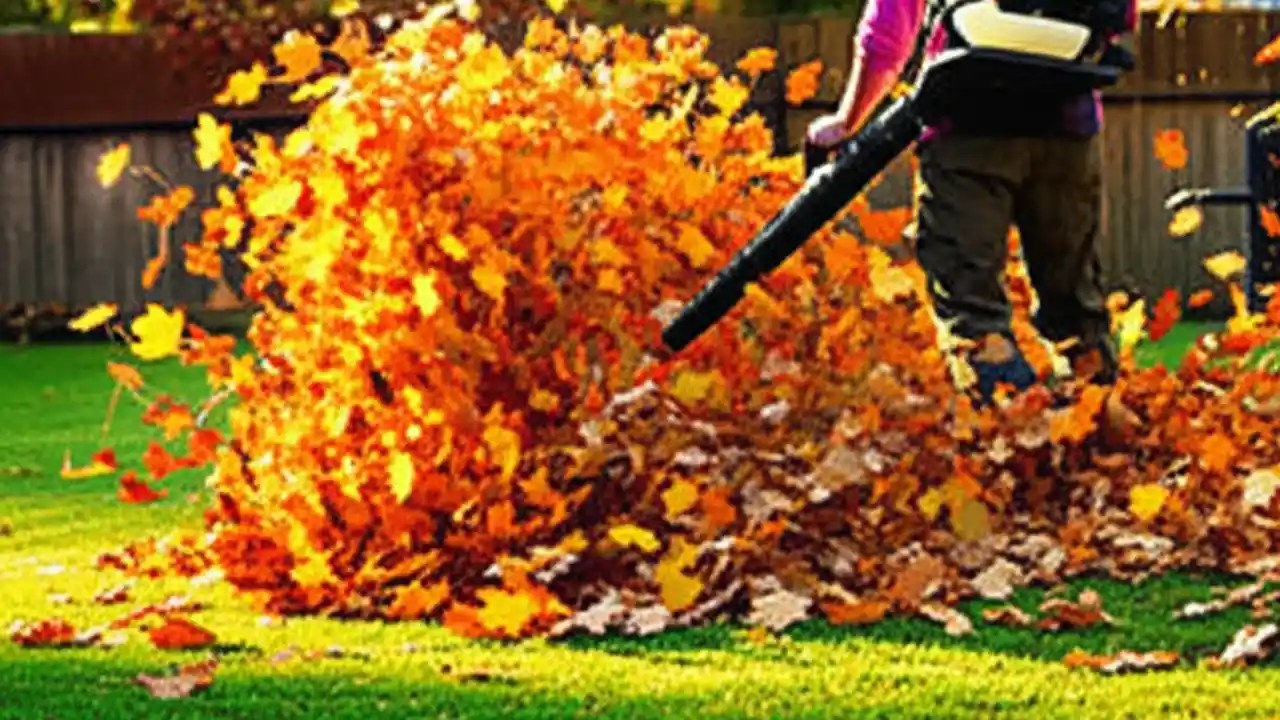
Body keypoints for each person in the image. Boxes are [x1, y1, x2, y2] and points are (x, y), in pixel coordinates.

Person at [806, 0, 1137, 406]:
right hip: (1067, 126)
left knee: (973, 312)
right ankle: (1094, 431)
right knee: (1075, 310)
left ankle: (1014, 437)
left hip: (967, 126)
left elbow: (887, 33)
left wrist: (847, 120)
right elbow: (1119, 18)